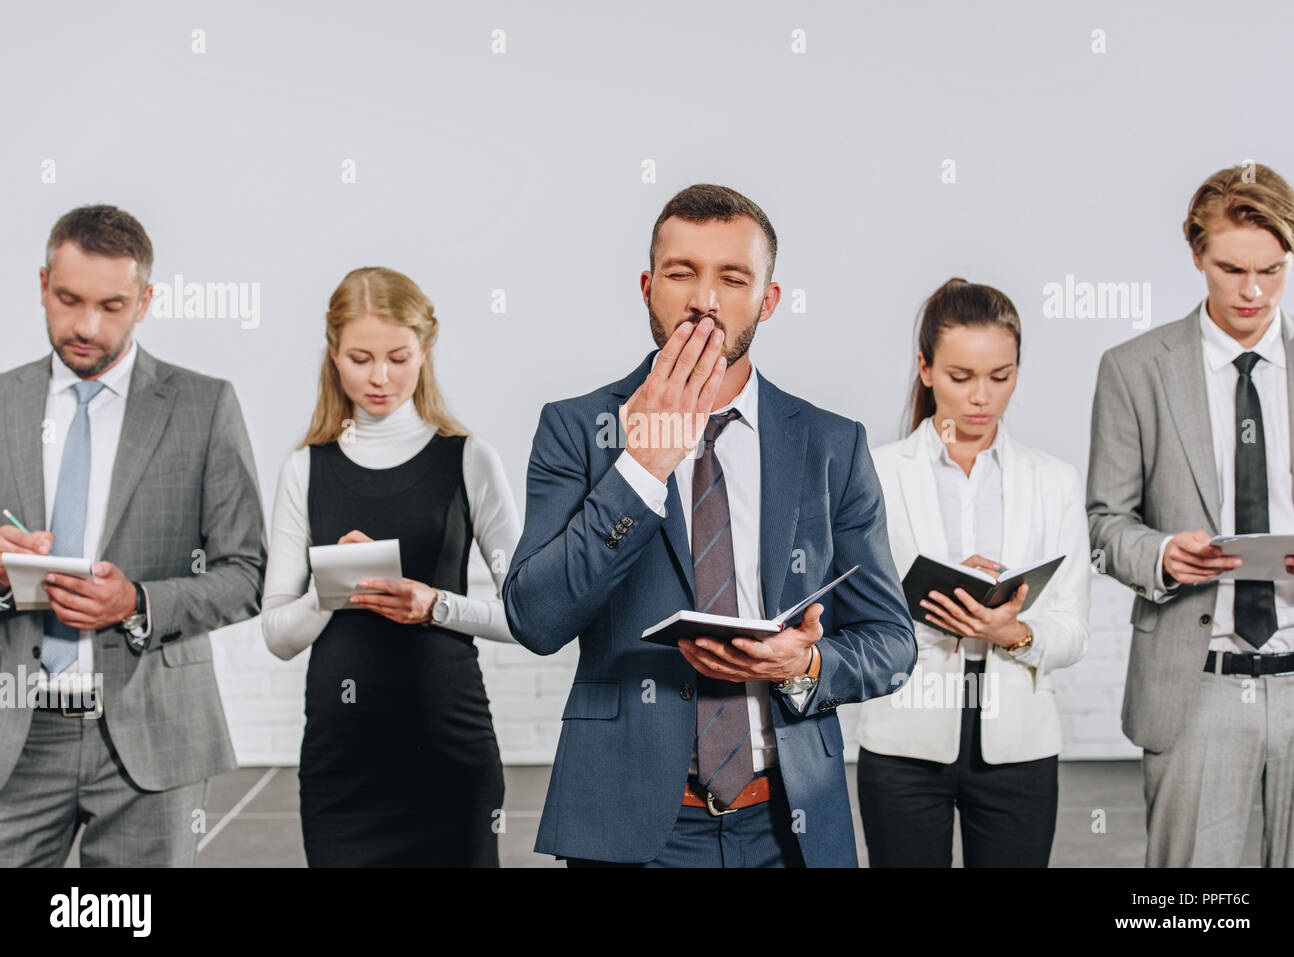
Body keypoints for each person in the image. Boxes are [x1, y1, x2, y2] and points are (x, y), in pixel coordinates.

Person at [504, 184, 916, 867]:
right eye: (681, 272)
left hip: (789, 827)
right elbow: (535, 617)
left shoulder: (831, 444)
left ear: (768, 299)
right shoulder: (577, 430)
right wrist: (640, 467)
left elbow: (892, 643)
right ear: (647, 286)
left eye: (733, 276)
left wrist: (805, 664)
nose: (705, 298)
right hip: (630, 828)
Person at [0, 205, 266, 866]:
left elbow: (248, 571)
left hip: (156, 735)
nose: (86, 326)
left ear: (146, 300)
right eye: (68, 300)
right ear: (40, 285)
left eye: (112, 305)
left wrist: (138, 604)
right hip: (16, 739)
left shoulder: (204, 406)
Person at [261, 266, 520, 867]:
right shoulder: (304, 469)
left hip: (450, 752)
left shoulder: (469, 459)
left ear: (425, 350)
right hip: (342, 764)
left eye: (399, 357)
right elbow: (276, 636)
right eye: (360, 357)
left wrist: (435, 605)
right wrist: (333, 586)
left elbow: (527, 618)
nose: (380, 377)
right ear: (333, 354)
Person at [1089, 162, 1294, 868]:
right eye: (1231, 268)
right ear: (1195, 253)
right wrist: (1161, 555)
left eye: (1272, 270)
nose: (1252, 291)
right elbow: (1104, 524)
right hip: (1197, 678)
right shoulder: (1135, 369)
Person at [854, 278, 1090, 867]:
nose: (981, 397)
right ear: (926, 369)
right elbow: (848, 613)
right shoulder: (875, 473)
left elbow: (1073, 628)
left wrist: (1011, 630)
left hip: (1019, 742)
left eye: (1000, 376)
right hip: (903, 735)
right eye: (961, 377)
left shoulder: (1053, 480)